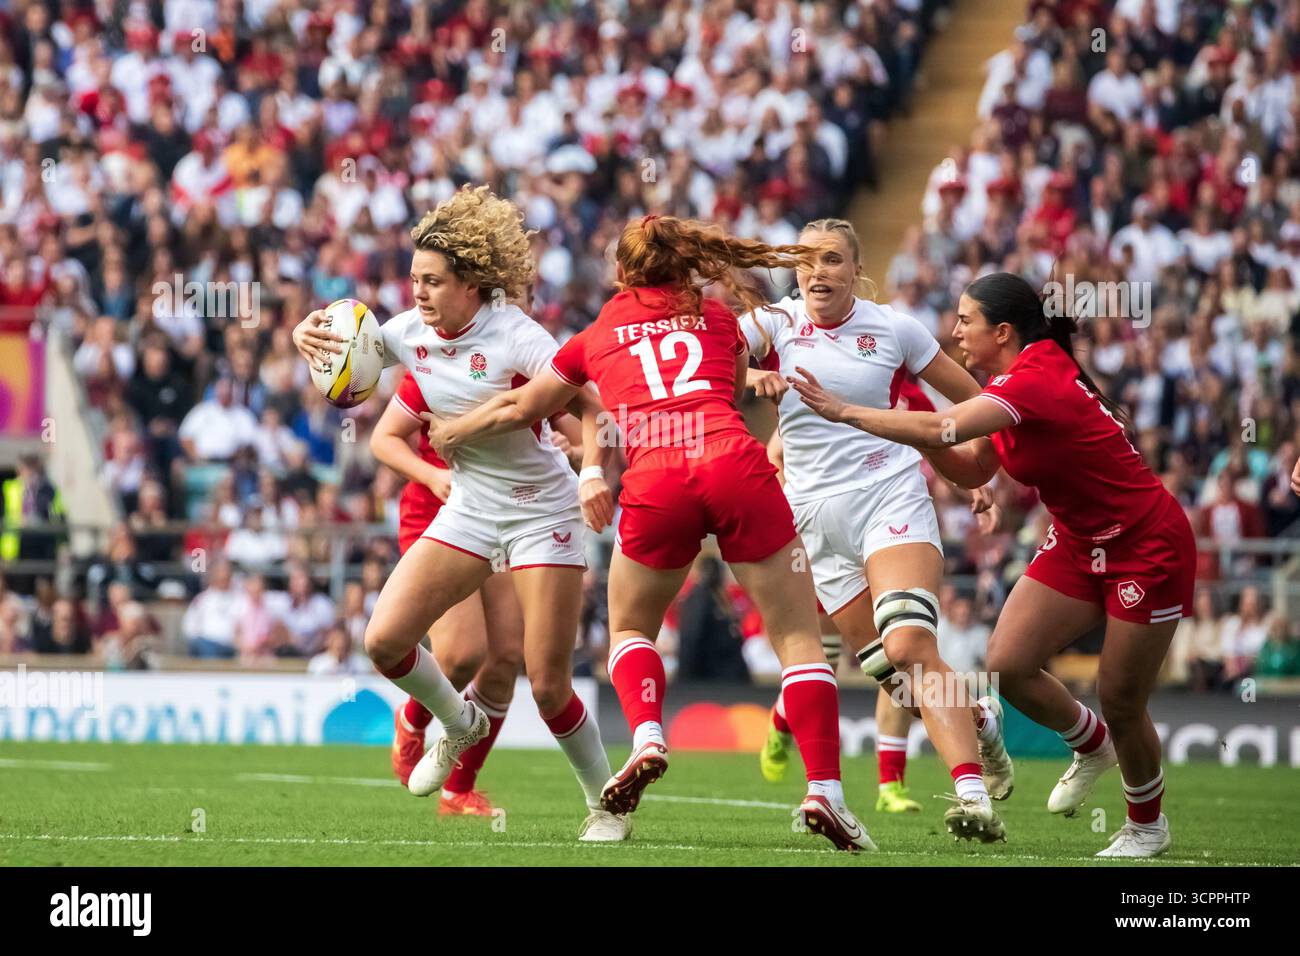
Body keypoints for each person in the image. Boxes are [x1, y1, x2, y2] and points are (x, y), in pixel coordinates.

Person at [426, 213, 874, 851]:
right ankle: (825, 792)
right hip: (733, 463)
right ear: (686, 261)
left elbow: (527, 407)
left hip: (657, 475)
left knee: (632, 630)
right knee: (799, 639)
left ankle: (646, 738)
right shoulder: (720, 318)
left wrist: (455, 432)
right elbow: (736, 372)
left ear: (623, 270)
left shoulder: (600, 329)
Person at [788, 271, 1197, 858]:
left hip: (1145, 543)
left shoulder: (1032, 378)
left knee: (1123, 696)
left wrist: (850, 412)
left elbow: (942, 425)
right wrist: (921, 439)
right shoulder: (1010, 381)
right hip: (1081, 541)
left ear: (1001, 331)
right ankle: (1090, 742)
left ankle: (1146, 826)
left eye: (964, 321)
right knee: (1006, 662)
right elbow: (972, 468)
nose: (954, 333)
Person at [293, 185, 626, 842]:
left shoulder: (517, 336)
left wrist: (590, 470)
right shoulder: (405, 333)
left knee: (548, 681)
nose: (418, 293)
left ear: (471, 285)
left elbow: (594, 411)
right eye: (414, 279)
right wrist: (307, 332)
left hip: (540, 513)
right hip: (471, 510)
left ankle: (606, 805)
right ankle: (459, 721)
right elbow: (344, 368)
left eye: (434, 281)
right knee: (383, 642)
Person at [742, 218, 1008, 838]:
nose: (816, 271)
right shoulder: (774, 323)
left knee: (909, 647)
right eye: (805, 260)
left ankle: (973, 797)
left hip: (888, 496)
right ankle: (981, 720)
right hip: (815, 522)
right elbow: (714, 359)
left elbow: (973, 401)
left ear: (856, 270)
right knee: (894, 676)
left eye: (831, 259)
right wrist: (753, 375)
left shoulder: (893, 328)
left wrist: (977, 474)